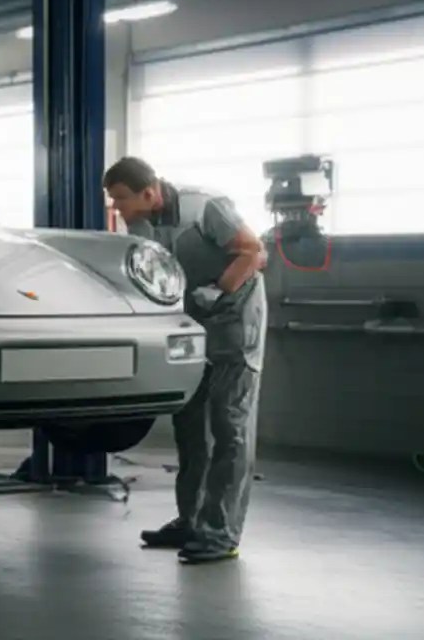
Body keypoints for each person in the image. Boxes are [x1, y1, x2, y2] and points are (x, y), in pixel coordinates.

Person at [104, 156, 268, 565]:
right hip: (189, 323)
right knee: (189, 423)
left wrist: (220, 288)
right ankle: (191, 520)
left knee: (230, 426)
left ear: (149, 192)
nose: (117, 208)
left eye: (121, 199)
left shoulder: (206, 207)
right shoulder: (137, 222)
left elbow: (253, 251)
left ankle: (221, 534)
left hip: (233, 320)